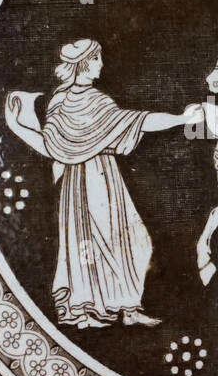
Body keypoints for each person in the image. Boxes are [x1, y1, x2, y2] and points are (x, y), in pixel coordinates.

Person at [39, 39, 194, 328]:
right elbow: (139, 121)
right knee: (106, 242)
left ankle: (124, 308)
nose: (102, 64)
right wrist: (180, 119)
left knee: (122, 241)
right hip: (92, 179)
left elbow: (52, 141)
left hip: (94, 177)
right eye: (97, 59)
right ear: (85, 63)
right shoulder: (92, 101)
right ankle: (94, 307)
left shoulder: (63, 100)